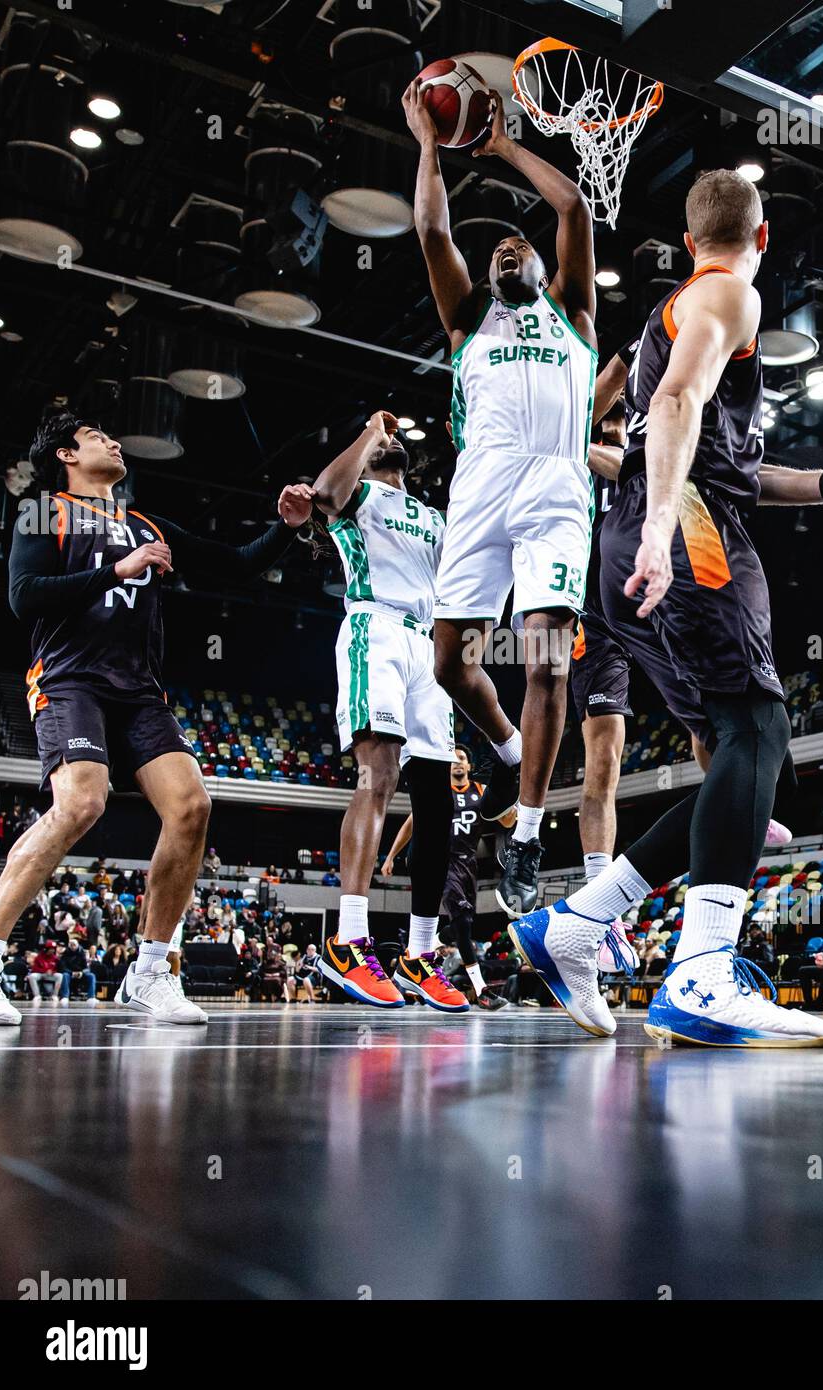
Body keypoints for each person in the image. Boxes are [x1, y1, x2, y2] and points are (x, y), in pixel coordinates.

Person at [510, 168, 823, 1044]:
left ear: (686, 230)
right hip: (684, 533)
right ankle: (701, 974)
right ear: (763, 236)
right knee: (757, 734)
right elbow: (675, 406)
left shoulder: (669, 314)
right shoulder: (728, 295)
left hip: (638, 532)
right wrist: (669, 530)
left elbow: (727, 466)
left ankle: (574, 926)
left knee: (734, 762)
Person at [0, 412, 312, 1026]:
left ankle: (149, 972)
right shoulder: (44, 511)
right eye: (95, 437)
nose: (114, 441)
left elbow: (236, 562)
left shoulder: (144, 524)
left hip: (139, 691)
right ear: (65, 454)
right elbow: (23, 595)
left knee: (192, 807)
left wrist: (285, 528)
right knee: (81, 805)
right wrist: (118, 569)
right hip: (70, 680)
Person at [402, 78, 598, 917]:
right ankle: (513, 749)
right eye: (497, 250)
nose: (507, 250)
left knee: (547, 656)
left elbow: (575, 209)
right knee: (450, 663)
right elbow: (429, 228)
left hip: (555, 481)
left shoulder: (577, 318)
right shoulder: (466, 320)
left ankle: (524, 831)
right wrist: (426, 143)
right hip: (480, 482)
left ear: (546, 271)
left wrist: (503, 147)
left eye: (519, 246)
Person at [296, 410, 467, 1013]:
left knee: (436, 799)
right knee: (379, 776)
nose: (391, 441)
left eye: (394, 440)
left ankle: (421, 952)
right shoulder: (357, 494)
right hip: (379, 628)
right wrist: (368, 431)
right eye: (382, 442)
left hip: (431, 645)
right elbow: (325, 493)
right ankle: (348, 940)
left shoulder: (433, 516)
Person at [382, 744, 516, 1009]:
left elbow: (507, 822)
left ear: (469, 766)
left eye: (462, 758)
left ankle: (418, 952)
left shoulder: (480, 791)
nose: (456, 762)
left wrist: (512, 808)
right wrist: (390, 856)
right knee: (463, 924)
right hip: (442, 860)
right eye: (452, 759)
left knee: (459, 926)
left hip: (469, 865)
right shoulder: (439, 792)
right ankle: (482, 990)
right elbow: (411, 824)